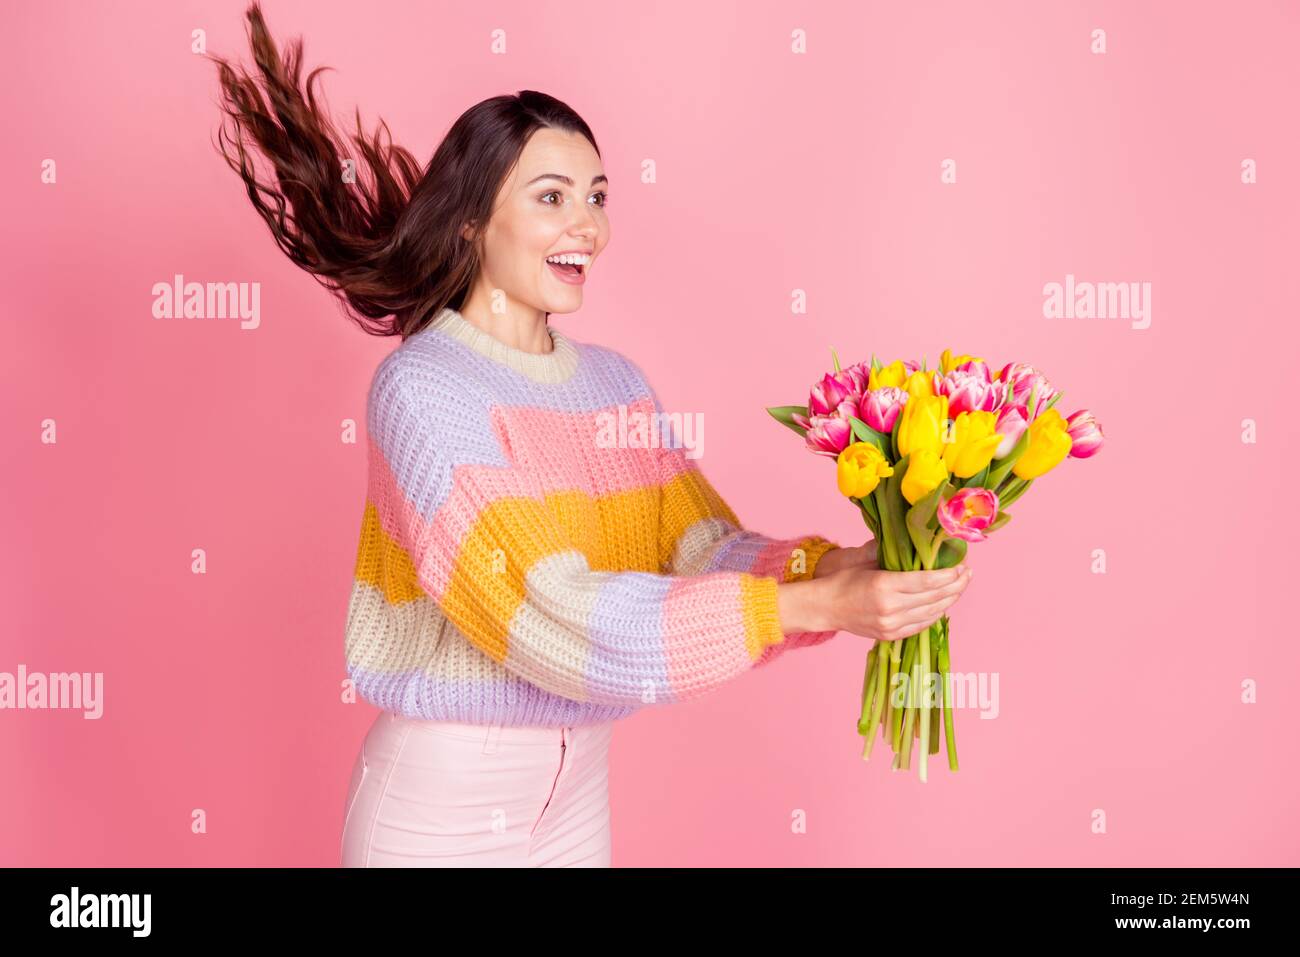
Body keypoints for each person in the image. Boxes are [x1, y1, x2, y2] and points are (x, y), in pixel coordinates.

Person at [208, 2, 973, 868]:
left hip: (576, 792)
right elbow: (549, 612)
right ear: (470, 221)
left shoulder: (613, 383)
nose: (590, 225)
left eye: (597, 197)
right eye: (552, 198)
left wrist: (833, 566)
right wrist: (810, 607)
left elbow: (698, 549)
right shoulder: (422, 390)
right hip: (443, 800)